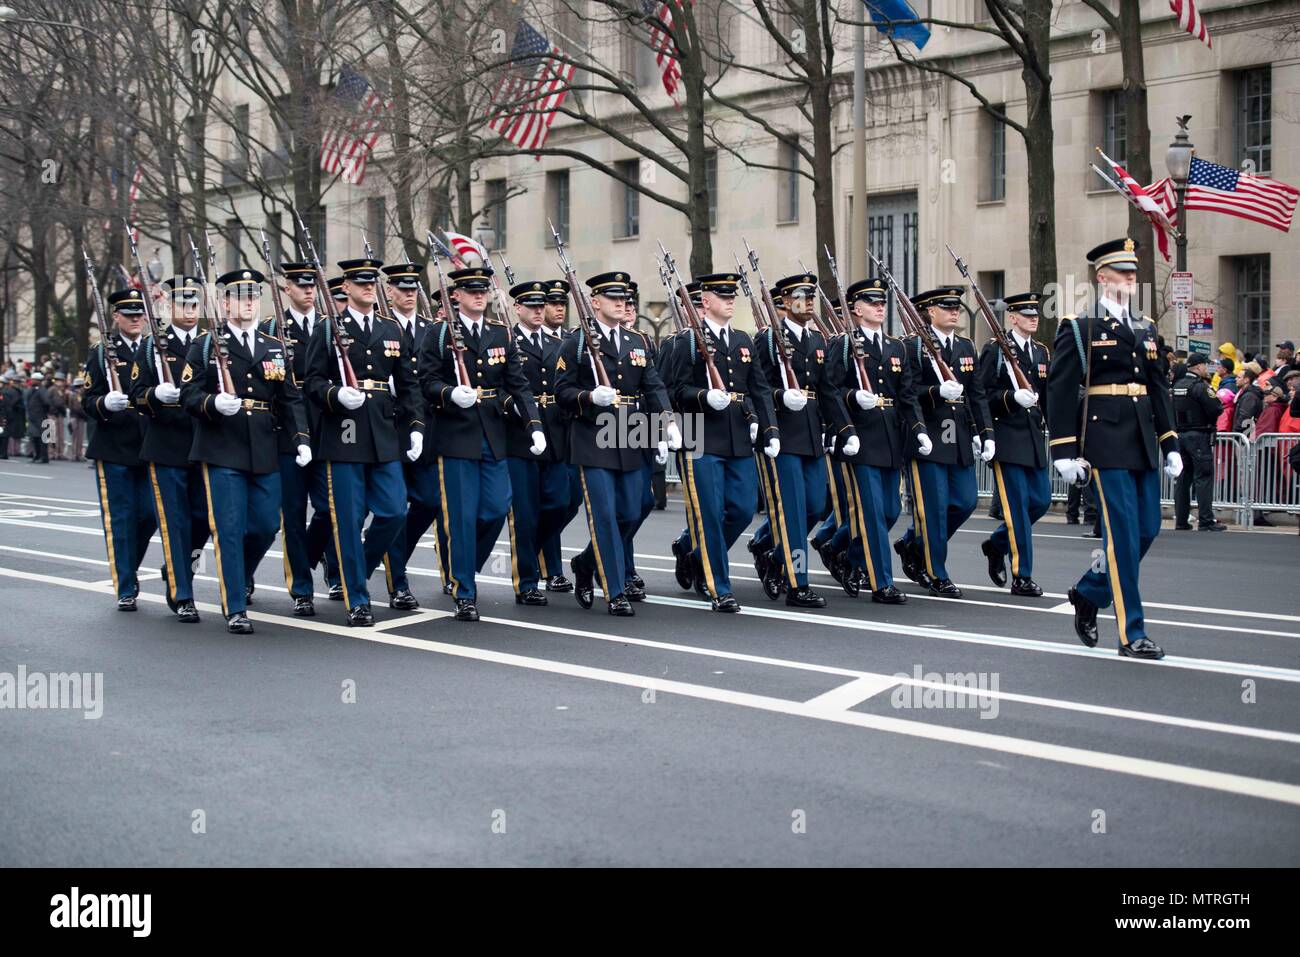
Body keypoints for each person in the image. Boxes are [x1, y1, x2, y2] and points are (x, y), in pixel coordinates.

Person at [1048, 238, 1182, 660]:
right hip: (1104, 440)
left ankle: (1089, 591)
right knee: (1122, 536)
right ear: (1101, 277)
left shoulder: (1145, 327)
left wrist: (1171, 441)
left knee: (1147, 530)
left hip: (1142, 438)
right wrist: (1064, 451)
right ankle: (1131, 633)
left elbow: (1158, 387)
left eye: (1133, 271)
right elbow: (1061, 388)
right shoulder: (1079, 325)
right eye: (1122, 272)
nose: (1130, 277)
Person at [181, 268, 311, 634]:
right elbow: (189, 394)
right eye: (240, 297)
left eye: (253, 296)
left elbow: (290, 399)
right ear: (224, 304)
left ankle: (240, 574)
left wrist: (301, 437)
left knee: (267, 525)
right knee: (230, 529)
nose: (248, 302)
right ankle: (235, 605)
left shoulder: (273, 347)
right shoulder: (207, 345)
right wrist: (211, 403)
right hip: (222, 446)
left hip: (265, 447)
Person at [303, 258, 424, 627]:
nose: (369, 287)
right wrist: (336, 394)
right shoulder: (328, 329)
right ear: (347, 288)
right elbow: (311, 382)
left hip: (384, 432)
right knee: (350, 518)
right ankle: (357, 598)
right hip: (344, 431)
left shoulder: (389, 328)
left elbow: (408, 384)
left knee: (393, 512)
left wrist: (415, 425)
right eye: (361, 282)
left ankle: (359, 567)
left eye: (372, 282)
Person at [419, 265, 541, 621]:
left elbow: (517, 384)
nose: (478, 295)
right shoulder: (440, 334)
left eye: (482, 290)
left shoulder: (501, 335)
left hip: (492, 432)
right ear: (455, 295)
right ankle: (464, 591)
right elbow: (426, 380)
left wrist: (533, 424)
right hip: (456, 434)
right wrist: (449, 393)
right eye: (471, 290)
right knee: (460, 517)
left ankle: (466, 566)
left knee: (496, 508)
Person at [555, 271, 677, 615]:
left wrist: (667, 423)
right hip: (593, 435)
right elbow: (561, 392)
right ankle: (614, 590)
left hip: (632, 431)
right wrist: (590, 395)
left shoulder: (638, 341)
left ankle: (584, 561)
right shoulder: (577, 342)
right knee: (606, 516)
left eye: (625, 298)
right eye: (613, 298)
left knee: (634, 507)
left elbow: (653, 387)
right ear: (595, 302)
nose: (622, 303)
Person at [664, 272, 779, 613]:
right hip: (700, 435)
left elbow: (758, 388)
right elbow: (674, 390)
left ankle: (693, 552)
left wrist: (770, 428)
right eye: (722, 295)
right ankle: (718, 587)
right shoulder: (687, 341)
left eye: (732, 295)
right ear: (705, 301)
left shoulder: (743, 340)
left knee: (743, 509)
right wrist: (703, 396)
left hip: (738, 437)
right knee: (711, 514)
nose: (730, 300)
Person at [749, 271, 855, 608]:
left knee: (815, 505)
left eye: (811, 297)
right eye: (801, 296)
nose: (808, 302)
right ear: (783, 302)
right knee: (793, 511)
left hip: (811, 433)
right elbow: (758, 389)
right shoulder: (768, 340)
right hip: (783, 435)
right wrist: (779, 401)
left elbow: (828, 391)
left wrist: (843, 428)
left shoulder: (818, 341)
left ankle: (774, 554)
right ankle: (798, 584)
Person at [822, 277, 926, 603]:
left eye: (882, 302)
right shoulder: (843, 344)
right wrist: (853, 401)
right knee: (872, 513)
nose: (879, 307)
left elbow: (907, 394)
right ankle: (882, 583)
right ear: (855, 308)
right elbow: (831, 390)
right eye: (871, 302)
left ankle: (841, 550)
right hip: (861, 437)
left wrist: (919, 428)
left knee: (891, 511)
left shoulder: (897, 347)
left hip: (892, 437)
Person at [894, 286, 992, 599]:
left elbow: (976, 394)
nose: (954, 311)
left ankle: (913, 543)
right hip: (928, 436)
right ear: (930, 311)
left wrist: (984, 432)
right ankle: (936, 572)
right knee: (933, 509)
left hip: (958, 435)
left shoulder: (965, 347)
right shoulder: (912, 347)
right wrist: (936, 392)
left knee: (964, 501)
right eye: (946, 307)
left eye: (956, 307)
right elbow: (907, 393)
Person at [259, 260, 336, 616]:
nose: (308, 291)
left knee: (329, 507)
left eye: (312, 285)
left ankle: (309, 552)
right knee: (291, 513)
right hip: (287, 430)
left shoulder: (330, 327)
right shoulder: (271, 329)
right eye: (301, 285)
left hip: (325, 427)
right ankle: (301, 588)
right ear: (286, 288)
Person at [129, 276, 207, 623]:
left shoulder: (208, 344)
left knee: (204, 520)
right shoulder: (151, 346)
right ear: (168, 308)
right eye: (182, 305)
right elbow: (136, 392)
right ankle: (182, 592)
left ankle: (178, 569)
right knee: (175, 522)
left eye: (194, 305)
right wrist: (154, 397)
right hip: (166, 444)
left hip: (204, 442)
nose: (189, 312)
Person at [83, 288, 157, 611]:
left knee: (150, 515)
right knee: (122, 519)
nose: (136, 319)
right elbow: (87, 401)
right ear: (115, 317)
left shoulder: (154, 350)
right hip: (114, 445)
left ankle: (130, 566)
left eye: (140, 314)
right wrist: (104, 404)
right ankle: (125, 585)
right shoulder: (102, 353)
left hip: (149, 444)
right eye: (129, 315)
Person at [375, 260, 442, 609]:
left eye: (413, 289)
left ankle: (391, 555)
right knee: (395, 508)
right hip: (388, 428)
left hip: (423, 429)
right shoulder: (381, 328)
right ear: (389, 292)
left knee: (429, 501)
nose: (409, 295)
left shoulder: (430, 331)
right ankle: (397, 582)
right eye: (402, 289)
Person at [977, 292, 1053, 595]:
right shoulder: (995, 350)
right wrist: (1010, 398)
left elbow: (1046, 398)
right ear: (1012, 317)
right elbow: (981, 394)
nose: (1033, 318)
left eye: (1035, 314)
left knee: (1041, 501)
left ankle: (996, 544)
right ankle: (1023, 575)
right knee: (1018, 510)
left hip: (1033, 438)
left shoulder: (1041, 352)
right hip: (1007, 437)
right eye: (1026, 314)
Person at [503, 280, 571, 606]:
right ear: (518, 308)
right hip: (519, 436)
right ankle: (527, 581)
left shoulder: (557, 341)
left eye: (541, 306)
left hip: (555, 433)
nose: (539, 311)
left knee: (561, 500)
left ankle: (535, 550)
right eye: (532, 307)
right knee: (525, 513)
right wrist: (510, 405)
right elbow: (497, 384)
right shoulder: (508, 341)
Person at [536, 279, 576, 593]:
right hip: (538, 426)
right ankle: (551, 568)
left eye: (563, 304)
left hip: (566, 428)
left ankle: (533, 550)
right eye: (553, 304)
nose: (559, 309)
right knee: (548, 502)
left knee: (568, 501)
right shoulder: (530, 341)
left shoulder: (573, 340)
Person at [1172, 353, 1225, 532]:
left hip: (1180, 436)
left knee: (1183, 477)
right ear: (1198, 366)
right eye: (1205, 365)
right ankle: (1206, 520)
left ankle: (1180, 520)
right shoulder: (1200, 387)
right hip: (1199, 435)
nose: (1206, 369)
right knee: (1203, 477)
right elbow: (1216, 407)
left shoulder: (1177, 385)